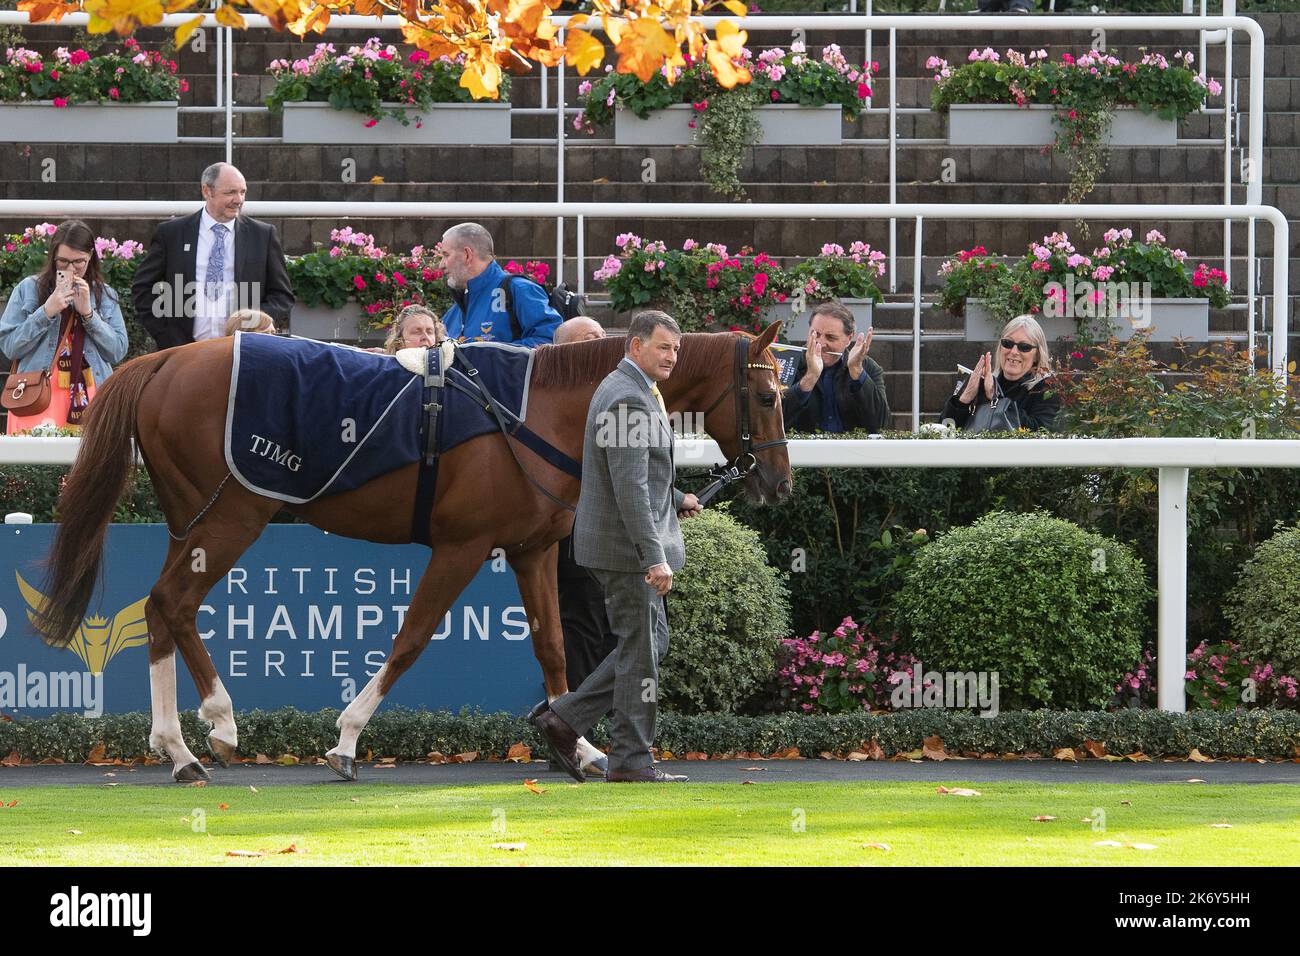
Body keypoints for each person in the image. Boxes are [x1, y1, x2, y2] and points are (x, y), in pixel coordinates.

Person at [532, 310, 702, 784]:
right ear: (635, 346)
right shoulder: (628, 397)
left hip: (618, 545)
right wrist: (654, 556)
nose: (672, 356)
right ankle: (630, 760)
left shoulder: (630, 388)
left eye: (676, 349)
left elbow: (635, 474)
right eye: (663, 347)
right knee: (640, 650)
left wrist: (676, 496)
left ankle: (564, 719)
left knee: (648, 644)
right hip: (627, 553)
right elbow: (628, 487)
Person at [131, 162, 294, 350]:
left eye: (242, 192)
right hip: (182, 354)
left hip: (242, 352)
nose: (238, 199)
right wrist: (166, 335)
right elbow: (143, 287)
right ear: (207, 191)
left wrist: (253, 324)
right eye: (230, 192)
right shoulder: (172, 233)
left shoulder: (263, 235)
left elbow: (282, 297)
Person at [549, 314, 614, 776]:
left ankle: (572, 731)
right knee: (584, 633)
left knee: (615, 636)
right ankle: (566, 734)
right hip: (573, 533)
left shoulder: (612, 393)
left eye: (601, 338)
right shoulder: (566, 404)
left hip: (605, 533)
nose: (598, 346)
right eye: (586, 341)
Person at [0, 220, 129, 434]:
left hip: (92, 391)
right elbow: (10, 347)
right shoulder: (28, 289)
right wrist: (46, 311)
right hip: (38, 392)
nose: (71, 269)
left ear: (90, 257)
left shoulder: (105, 295)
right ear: (52, 258)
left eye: (79, 261)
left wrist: (89, 314)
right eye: (63, 261)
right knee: (36, 464)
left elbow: (117, 351)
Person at [436, 223, 561, 347]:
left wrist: (492, 358)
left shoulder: (519, 290)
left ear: (467, 255)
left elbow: (552, 340)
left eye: (446, 255)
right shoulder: (457, 309)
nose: (441, 265)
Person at [782, 301, 890, 434]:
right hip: (801, 450)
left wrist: (856, 371)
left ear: (848, 339)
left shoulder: (868, 367)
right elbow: (773, 419)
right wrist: (810, 378)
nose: (821, 344)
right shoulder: (790, 361)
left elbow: (881, 423)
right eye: (816, 335)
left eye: (830, 337)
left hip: (853, 450)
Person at [942, 314, 1061, 432]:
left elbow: (1042, 432)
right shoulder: (983, 383)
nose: (1014, 351)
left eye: (1024, 347)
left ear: (1037, 355)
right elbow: (944, 430)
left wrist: (997, 400)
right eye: (1007, 343)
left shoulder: (1046, 389)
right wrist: (964, 400)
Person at [382, 304, 446, 354]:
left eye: (429, 332)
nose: (425, 337)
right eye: (416, 332)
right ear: (399, 343)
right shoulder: (387, 370)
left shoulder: (448, 369)